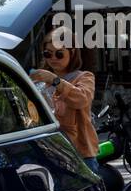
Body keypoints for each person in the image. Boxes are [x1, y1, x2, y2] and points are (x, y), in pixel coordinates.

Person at [30, 26, 99, 173]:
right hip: (49, 153)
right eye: (48, 54)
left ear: (72, 53)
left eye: (59, 54)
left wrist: (55, 81)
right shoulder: (40, 81)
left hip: (79, 154)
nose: (53, 58)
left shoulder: (84, 77)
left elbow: (81, 99)